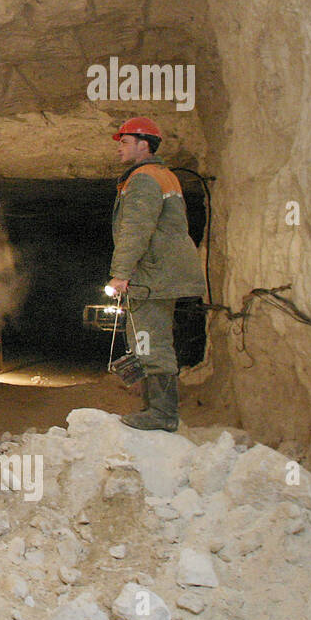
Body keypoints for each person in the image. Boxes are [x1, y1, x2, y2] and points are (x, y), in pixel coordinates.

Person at [107, 117, 206, 431]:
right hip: (160, 274)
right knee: (146, 339)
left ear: (143, 144)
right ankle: (153, 408)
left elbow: (135, 230)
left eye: (124, 142)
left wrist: (120, 274)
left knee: (151, 340)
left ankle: (162, 414)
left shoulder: (145, 179)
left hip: (152, 276)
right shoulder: (164, 176)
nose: (119, 149)